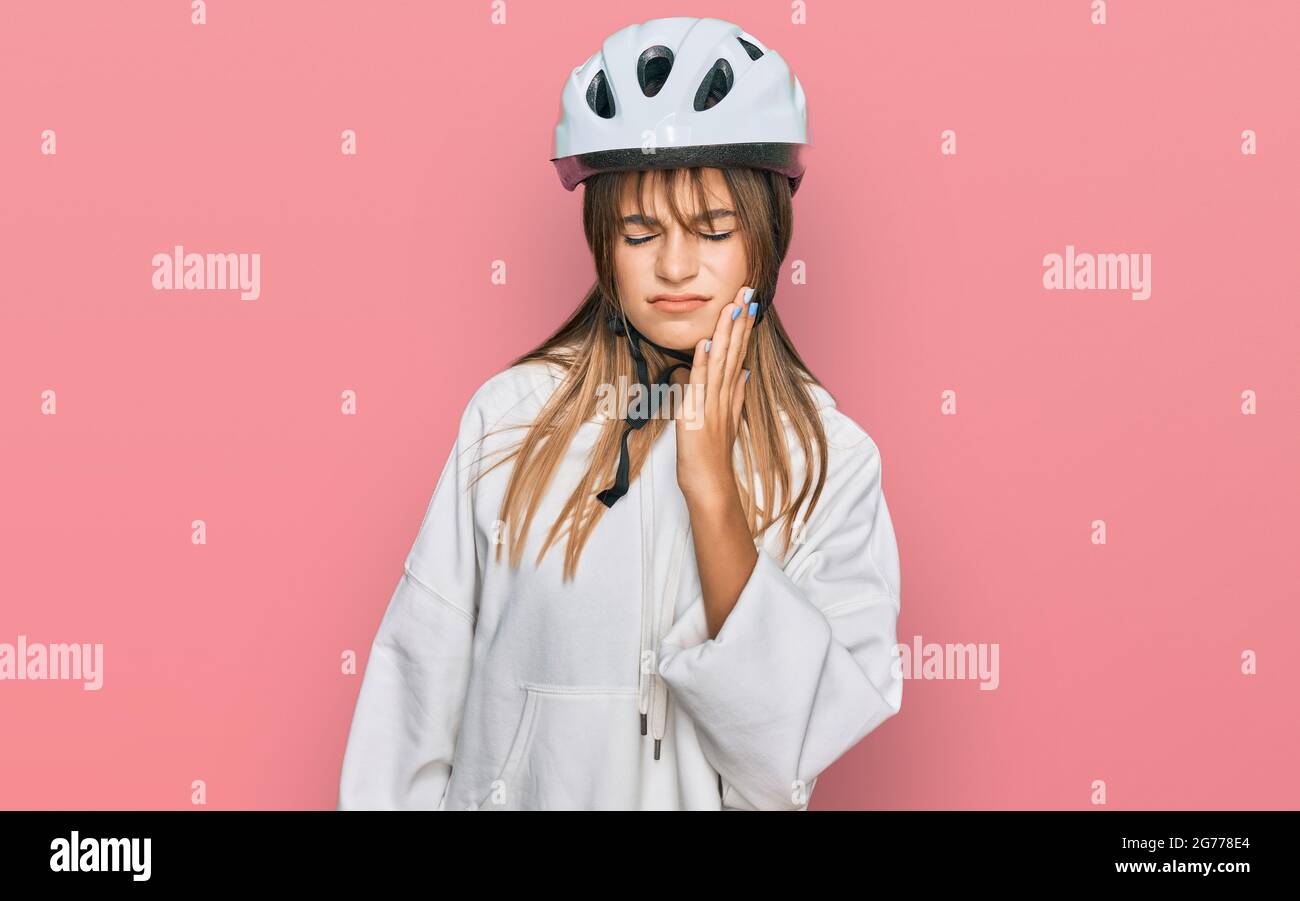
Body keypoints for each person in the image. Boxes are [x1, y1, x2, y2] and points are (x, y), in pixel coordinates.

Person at [336, 15, 902, 811]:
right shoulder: (509, 421)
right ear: (603, 239)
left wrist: (711, 489)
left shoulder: (830, 460)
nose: (675, 266)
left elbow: (789, 754)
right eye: (640, 232)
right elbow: (411, 692)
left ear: (767, 239)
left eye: (712, 229)